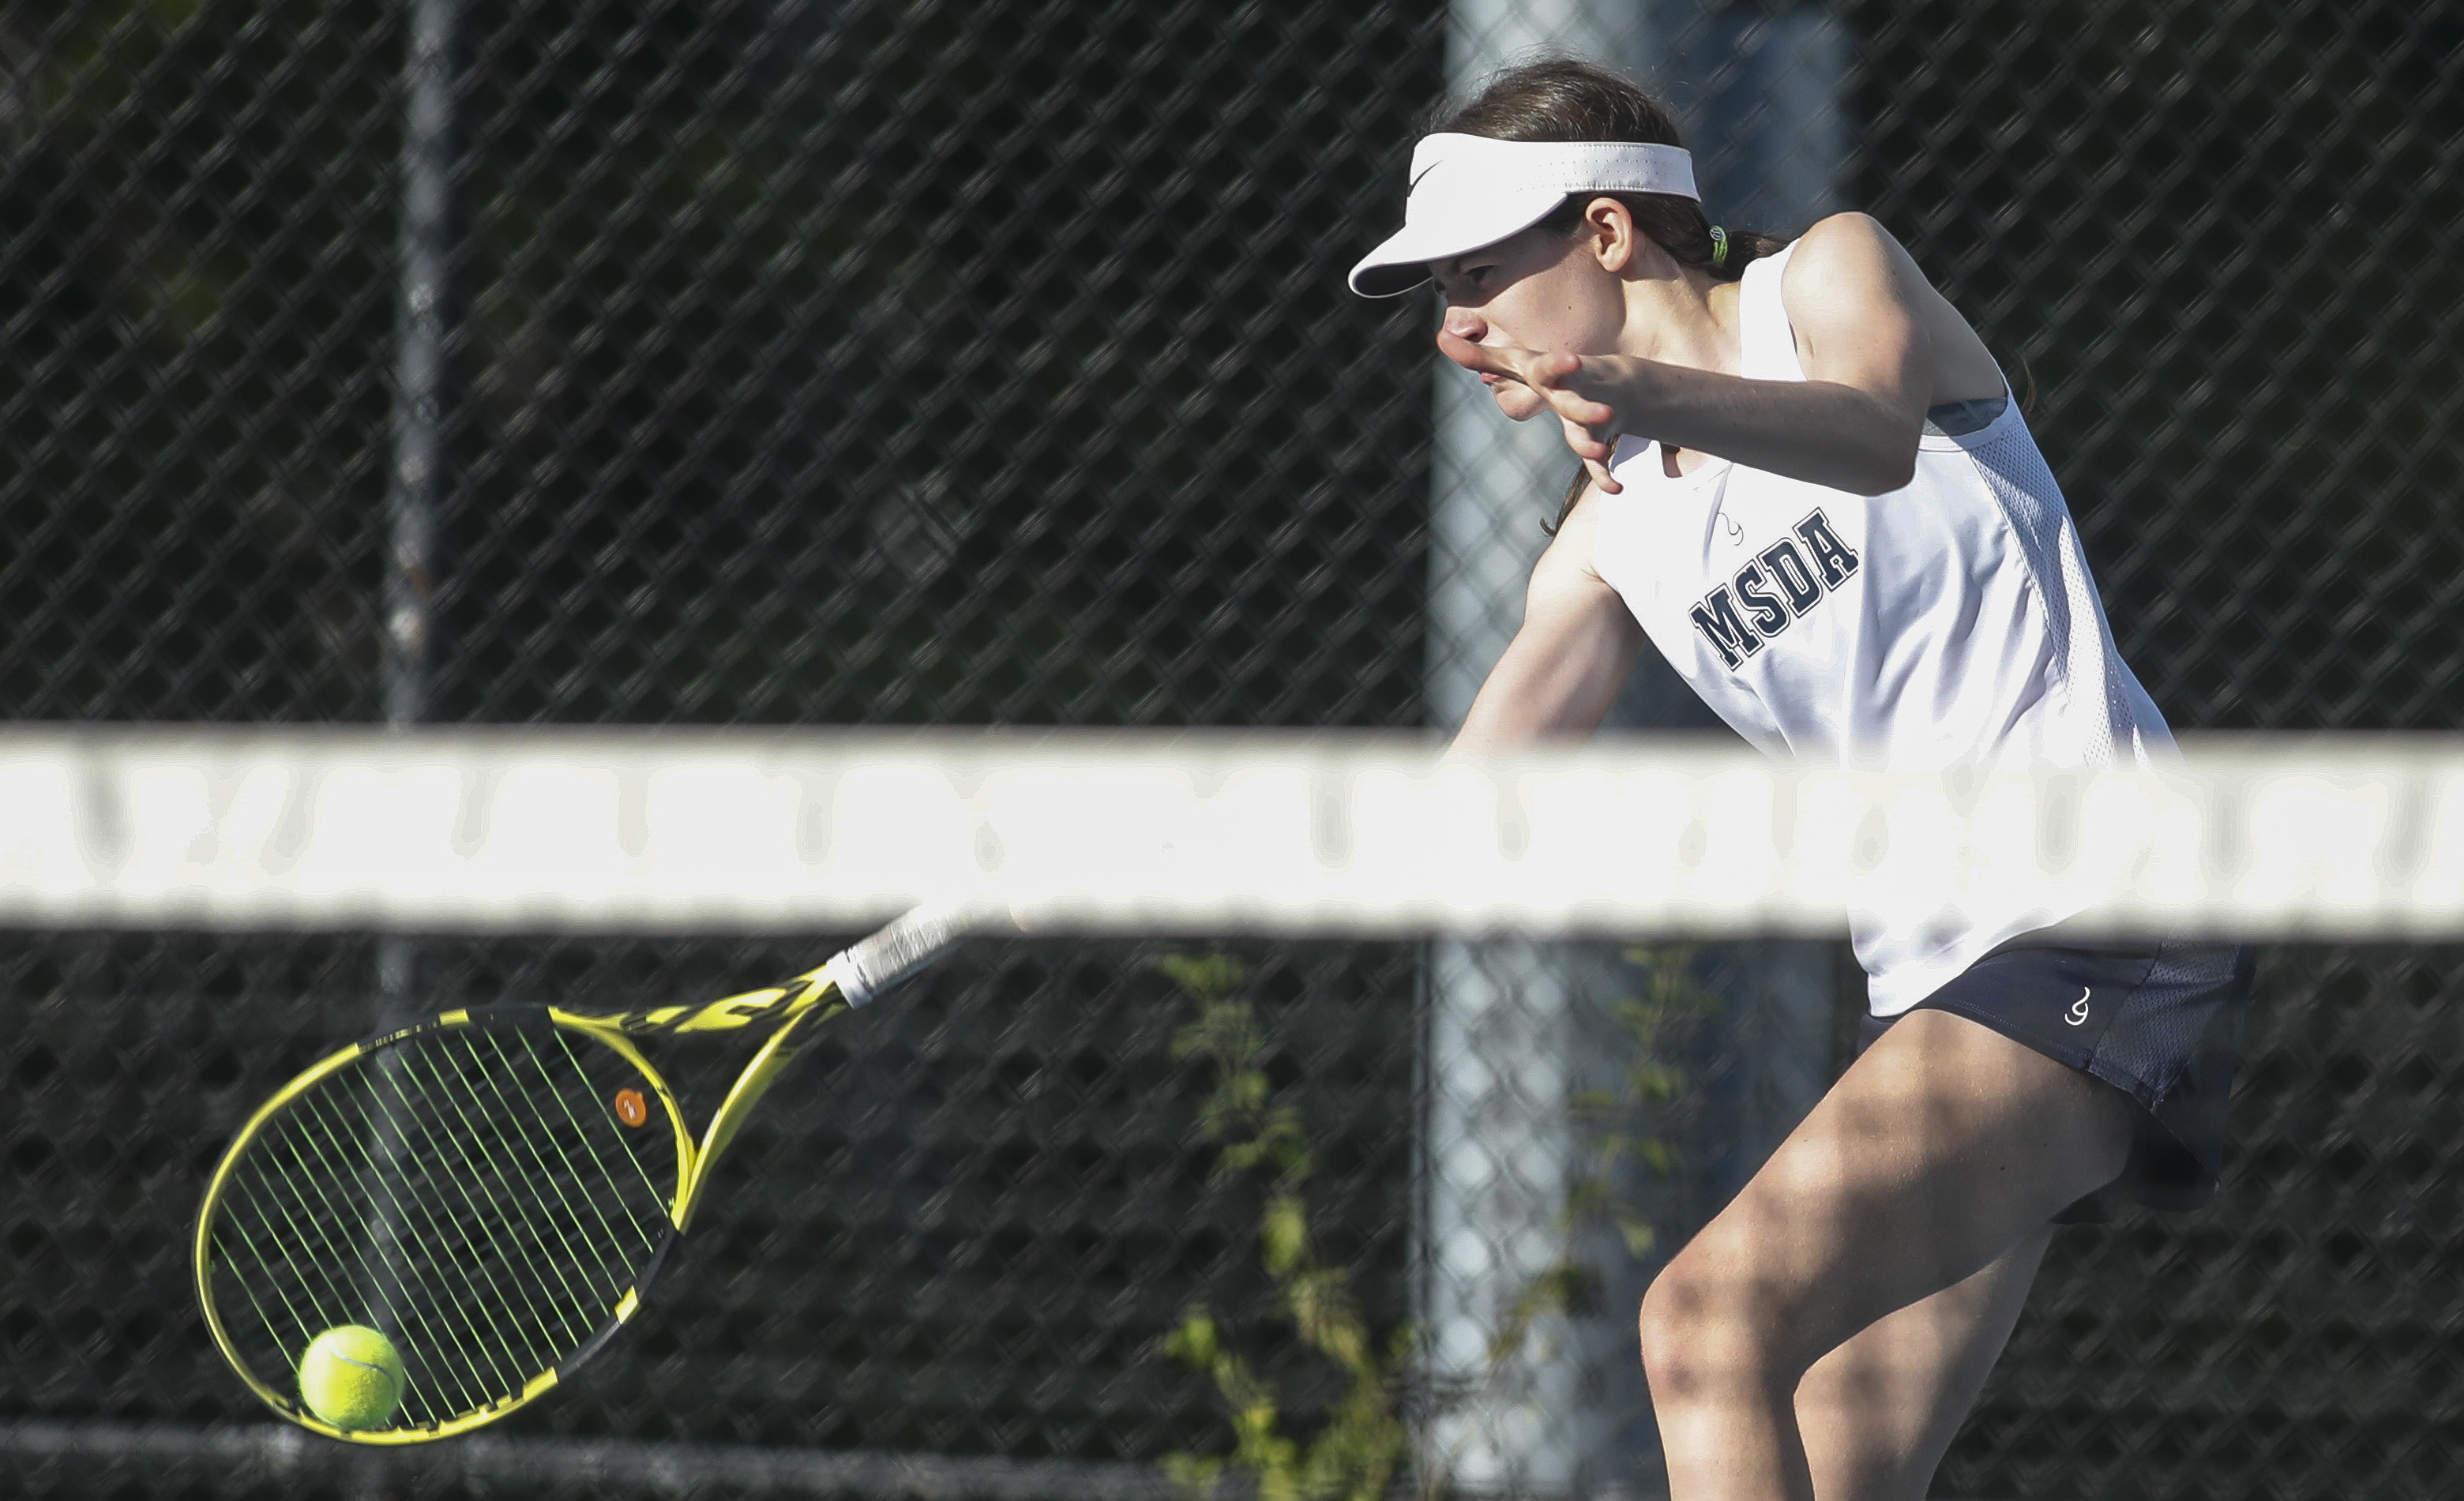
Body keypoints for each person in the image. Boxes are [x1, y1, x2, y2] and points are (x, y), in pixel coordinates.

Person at [1349, 58, 2255, 1501]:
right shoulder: (1607, 539)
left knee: (1706, 1327)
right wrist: (1164, 843)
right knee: (1833, 1472)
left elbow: (1875, 441)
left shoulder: (1828, 279)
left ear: (1604, 232)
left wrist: (1642, 388)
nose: (1458, 326)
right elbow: (1455, 810)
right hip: (1942, 984)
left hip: (2095, 899)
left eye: (1479, 271)